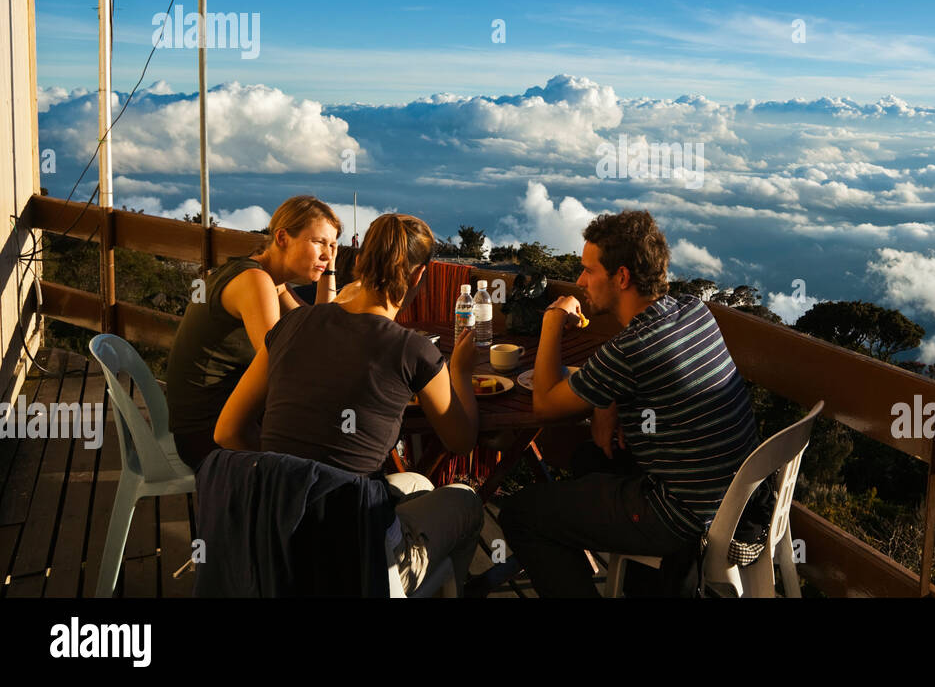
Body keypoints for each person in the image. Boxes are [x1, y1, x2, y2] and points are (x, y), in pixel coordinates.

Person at [214, 213, 483, 597]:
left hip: (273, 538)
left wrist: (292, 480)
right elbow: (461, 440)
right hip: (359, 560)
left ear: (358, 262)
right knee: (466, 502)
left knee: (419, 483)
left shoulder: (292, 325)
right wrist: (461, 370)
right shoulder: (414, 351)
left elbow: (227, 431)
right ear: (419, 275)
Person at [497, 210, 760, 597]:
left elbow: (545, 407)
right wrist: (608, 404)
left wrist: (552, 318)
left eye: (588, 270)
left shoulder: (632, 347)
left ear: (621, 277)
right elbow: (657, 376)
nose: (581, 281)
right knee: (588, 460)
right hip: (734, 498)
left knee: (522, 514)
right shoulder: (692, 310)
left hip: (683, 515)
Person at [166, 195, 341, 470]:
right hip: (211, 439)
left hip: (211, 424)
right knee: (331, 451)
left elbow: (314, 325)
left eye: (333, 245)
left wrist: (329, 269)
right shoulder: (255, 281)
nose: (327, 253)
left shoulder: (267, 277)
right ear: (283, 238)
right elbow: (282, 368)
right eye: (318, 242)